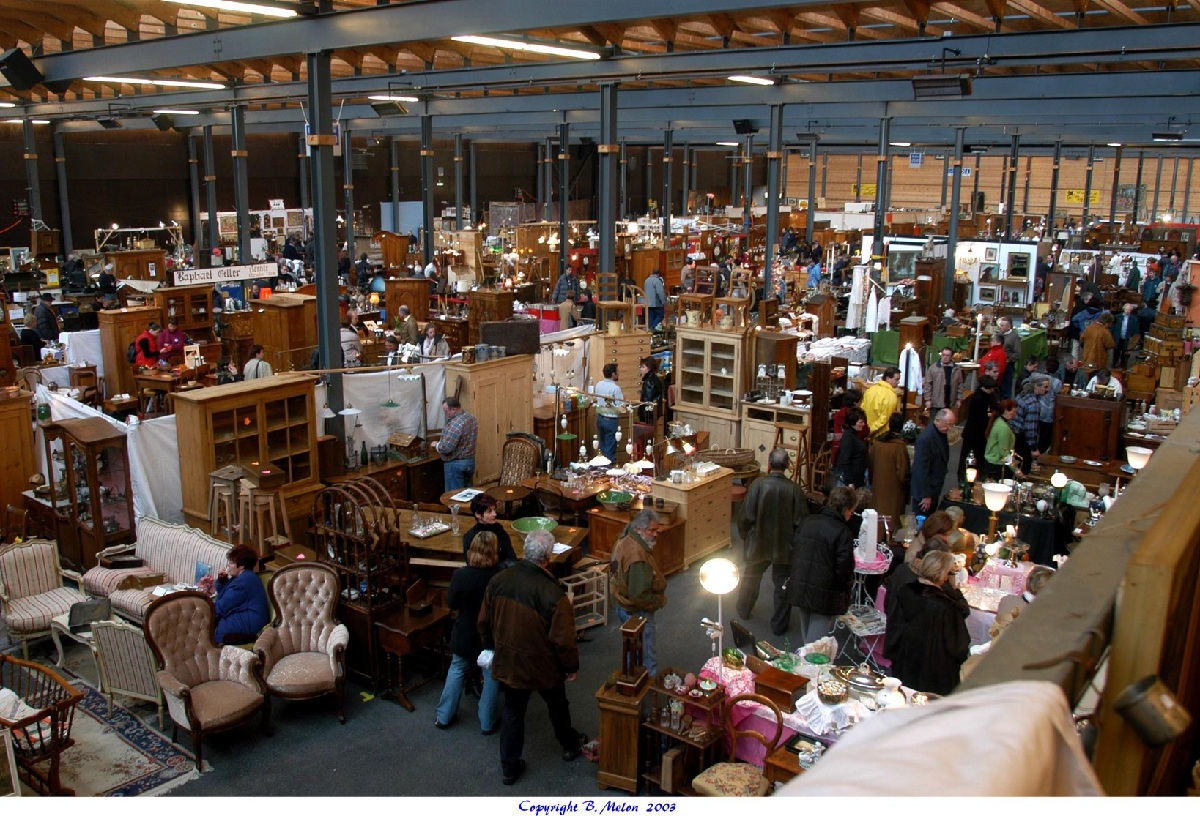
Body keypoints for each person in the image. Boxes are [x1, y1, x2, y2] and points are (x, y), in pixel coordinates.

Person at [478, 531, 587, 786]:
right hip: (544, 665)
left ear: (525, 551)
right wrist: (571, 667)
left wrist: (491, 649)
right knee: (557, 704)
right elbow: (563, 639)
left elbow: (483, 621)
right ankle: (570, 745)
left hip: (510, 662)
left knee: (513, 712)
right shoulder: (553, 594)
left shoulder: (498, 580)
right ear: (547, 558)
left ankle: (509, 767)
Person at [435, 531, 502, 733]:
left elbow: (452, 603)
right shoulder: (499, 578)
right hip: (489, 636)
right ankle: (487, 722)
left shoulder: (461, 575)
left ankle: (443, 716)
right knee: (491, 676)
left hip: (465, 633)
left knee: (456, 670)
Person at [737, 448, 808, 636]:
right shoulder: (795, 489)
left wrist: (746, 537)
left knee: (751, 579)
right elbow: (802, 522)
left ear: (769, 464)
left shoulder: (758, 485)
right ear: (787, 465)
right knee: (783, 586)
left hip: (757, 542)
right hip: (785, 547)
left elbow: (744, 516)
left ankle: (743, 610)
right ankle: (779, 625)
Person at [884, 550, 970, 696]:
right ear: (943, 574)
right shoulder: (944, 608)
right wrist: (954, 591)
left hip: (905, 663)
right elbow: (959, 647)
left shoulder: (906, 591)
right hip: (933, 674)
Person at [785, 486, 857, 645]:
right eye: (851, 511)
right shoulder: (843, 532)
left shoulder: (808, 521)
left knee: (807, 639)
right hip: (825, 595)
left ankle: (802, 667)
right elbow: (844, 570)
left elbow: (793, 550)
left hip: (800, 585)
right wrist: (845, 590)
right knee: (815, 648)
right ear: (845, 509)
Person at [610, 509, 667, 677]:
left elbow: (614, 570)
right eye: (652, 530)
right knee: (648, 654)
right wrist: (658, 602)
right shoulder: (637, 555)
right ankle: (649, 689)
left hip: (622, 605)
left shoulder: (625, 539)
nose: (656, 534)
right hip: (638, 612)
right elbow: (639, 596)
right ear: (640, 529)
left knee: (631, 647)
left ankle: (631, 677)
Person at [205, 544, 269, 645]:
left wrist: (203, 616)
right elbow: (225, 595)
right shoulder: (243, 576)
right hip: (248, 618)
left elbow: (223, 605)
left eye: (231, 562)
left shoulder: (244, 581)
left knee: (214, 628)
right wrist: (222, 581)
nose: (228, 566)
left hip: (250, 623)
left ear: (241, 566)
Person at [868, 413, 911, 532]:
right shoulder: (899, 447)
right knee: (892, 521)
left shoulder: (878, 442)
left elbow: (871, 463)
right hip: (894, 491)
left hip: (878, 486)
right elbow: (903, 473)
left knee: (877, 518)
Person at [911, 408, 954, 514]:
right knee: (923, 524)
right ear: (938, 420)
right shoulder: (926, 438)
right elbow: (921, 469)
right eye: (947, 424)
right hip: (924, 493)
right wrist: (925, 495)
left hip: (934, 488)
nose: (949, 428)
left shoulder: (939, 432)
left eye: (951, 425)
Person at [436, 396, 477, 492]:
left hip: (455, 465)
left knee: (454, 497)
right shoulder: (471, 418)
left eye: (446, 411)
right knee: (468, 495)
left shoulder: (455, 424)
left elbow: (446, 448)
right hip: (469, 462)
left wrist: (437, 445)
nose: (445, 414)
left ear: (454, 409)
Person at [462, 493, 516, 564]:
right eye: (489, 511)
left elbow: (511, 556)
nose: (495, 514)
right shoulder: (469, 537)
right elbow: (470, 563)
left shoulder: (499, 529)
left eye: (494, 510)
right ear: (478, 514)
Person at [1013, 374, 1050, 474]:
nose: (1047, 390)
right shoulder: (1033, 404)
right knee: (1023, 469)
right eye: (1045, 387)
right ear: (1036, 386)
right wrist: (1033, 448)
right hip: (1022, 439)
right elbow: (1031, 429)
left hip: (1013, 435)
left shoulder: (1021, 395)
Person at [591, 363, 623, 462]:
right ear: (613, 374)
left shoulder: (598, 385)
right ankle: (607, 469)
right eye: (617, 372)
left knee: (603, 446)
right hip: (610, 420)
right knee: (610, 448)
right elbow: (619, 405)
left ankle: (601, 468)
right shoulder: (615, 389)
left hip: (600, 418)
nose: (619, 373)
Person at [831, 407, 868, 489]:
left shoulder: (853, 435)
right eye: (860, 422)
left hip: (857, 478)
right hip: (852, 481)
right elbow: (845, 460)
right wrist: (850, 482)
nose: (863, 424)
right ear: (853, 422)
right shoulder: (848, 437)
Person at [984, 399, 1018, 480]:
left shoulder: (998, 421)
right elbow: (1004, 452)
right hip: (997, 465)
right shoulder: (1003, 428)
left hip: (991, 462)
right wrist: (1015, 469)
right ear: (1006, 411)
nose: (1014, 414)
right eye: (1013, 412)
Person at [862, 367, 901, 439]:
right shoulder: (891, 396)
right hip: (880, 435)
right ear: (888, 378)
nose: (898, 382)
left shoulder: (870, 390)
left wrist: (864, 431)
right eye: (896, 379)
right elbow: (884, 419)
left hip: (864, 429)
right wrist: (870, 432)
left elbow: (862, 409)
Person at [923, 346, 964, 414]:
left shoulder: (956, 369)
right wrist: (928, 399)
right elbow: (928, 384)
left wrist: (959, 399)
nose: (945, 357)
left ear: (951, 357)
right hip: (936, 402)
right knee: (934, 421)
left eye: (947, 355)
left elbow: (960, 385)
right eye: (943, 355)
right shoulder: (933, 368)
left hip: (950, 401)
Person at [997, 317, 1021, 398]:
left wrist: (1008, 360)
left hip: (1008, 365)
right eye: (1000, 325)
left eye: (1002, 326)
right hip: (998, 364)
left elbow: (1017, 353)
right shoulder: (998, 335)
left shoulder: (1014, 337)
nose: (1000, 327)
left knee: (1006, 387)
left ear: (1008, 327)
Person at [1112, 302, 1139, 368]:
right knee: (1116, 352)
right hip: (1118, 338)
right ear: (1124, 309)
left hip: (1127, 339)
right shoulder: (1117, 317)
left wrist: (1133, 339)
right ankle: (1114, 364)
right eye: (1126, 309)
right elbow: (1113, 328)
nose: (1128, 311)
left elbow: (1136, 330)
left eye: (1129, 310)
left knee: (1125, 353)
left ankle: (1123, 366)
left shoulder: (1134, 319)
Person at [637, 357, 662, 425]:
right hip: (654, 412)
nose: (641, 369)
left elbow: (647, 400)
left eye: (643, 367)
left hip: (648, 414)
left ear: (649, 368)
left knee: (646, 433)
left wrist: (642, 415)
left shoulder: (649, 382)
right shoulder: (655, 378)